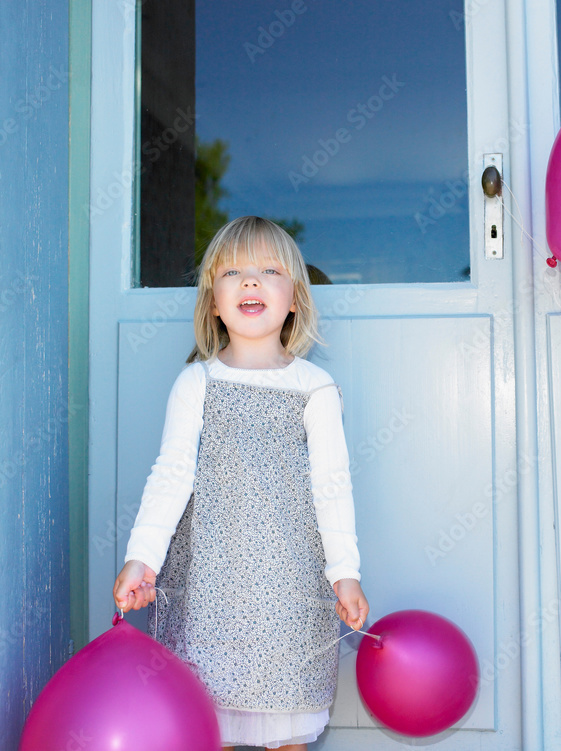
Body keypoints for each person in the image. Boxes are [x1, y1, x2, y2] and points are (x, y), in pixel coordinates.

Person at [112, 216, 369, 751]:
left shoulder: (314, 388)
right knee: (210, 720)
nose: (250, 282)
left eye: (269, 270)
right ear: (213, 302)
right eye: (232, 272)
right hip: (212, 586)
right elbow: (172, 473)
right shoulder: (197, 383)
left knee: (288, 722)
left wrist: (345, 574)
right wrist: (142, 557)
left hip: (290, 588)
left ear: (294, 298)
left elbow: (332, 486)